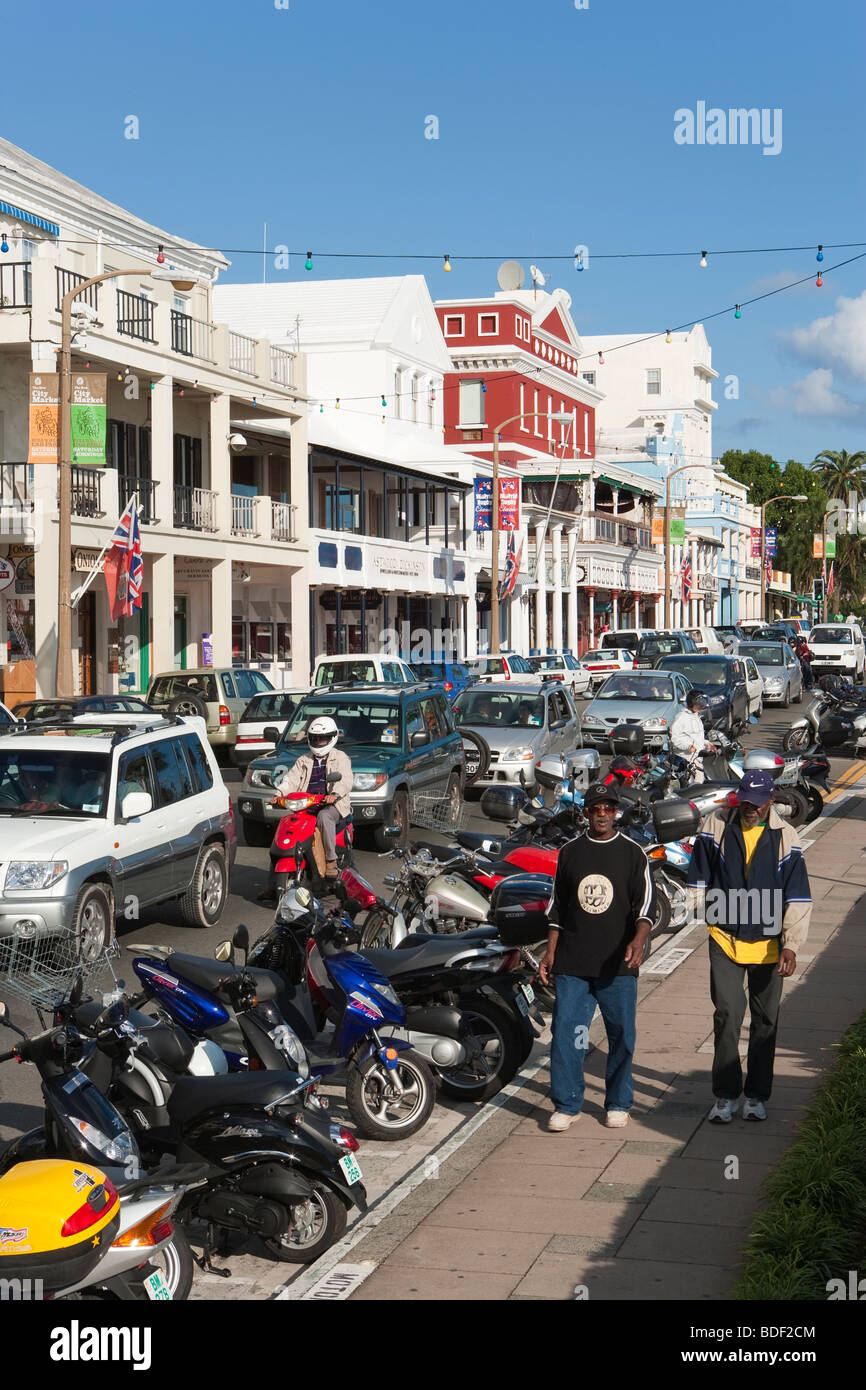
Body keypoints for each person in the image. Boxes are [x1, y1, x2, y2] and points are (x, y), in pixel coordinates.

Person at [687, 769, 812, 1123]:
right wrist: (696, 911)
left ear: (770, 801)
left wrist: (792, 945)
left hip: (770, 944)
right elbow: (698, 874)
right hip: (725, 938)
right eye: (745, 802)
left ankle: (756, 1096)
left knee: (765, 1021)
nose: (750, 809)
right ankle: (725, 1096)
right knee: (727, 1015)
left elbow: (799, 896)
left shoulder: (785, 837)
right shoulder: (716, 825)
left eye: (757, 804)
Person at [539, 782, 655, 1131]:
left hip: (618, 964)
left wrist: (639, 940)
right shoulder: (570, 853)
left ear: (616, 812)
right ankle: (567, 1103)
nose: (602, 814)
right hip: (574, 962)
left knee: (621, 1034)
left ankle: (618, 1102)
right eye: (595, 808)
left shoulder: (633, 853)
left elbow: (645, 906)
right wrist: (550, 951)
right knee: (567, 1034)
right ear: (586, 813)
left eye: (608, 808)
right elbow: (557, 907)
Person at [272, 715, 352, 879]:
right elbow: (291, 780)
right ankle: (272, 881)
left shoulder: (341, 757)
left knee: (324, 817)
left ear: (332, 737)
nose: (319, 742)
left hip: (332, 805)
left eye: (323, 739)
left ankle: (331, 861)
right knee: (286, 826)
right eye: (315, 738)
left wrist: (334, 794)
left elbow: (345, 780)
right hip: (306, 806)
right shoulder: (304, 759)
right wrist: (279, 794)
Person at [670, 690, 717, 782]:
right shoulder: (682, 717)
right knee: (693, 789)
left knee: (699, 785)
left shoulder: (696, 717)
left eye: (701, 705)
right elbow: (674, 737)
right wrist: (687, 746)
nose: (701, 707)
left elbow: (696, 738)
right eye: (698, 704)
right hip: (685, 759)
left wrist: (707, 743)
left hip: (697, 759)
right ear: (691, 703)